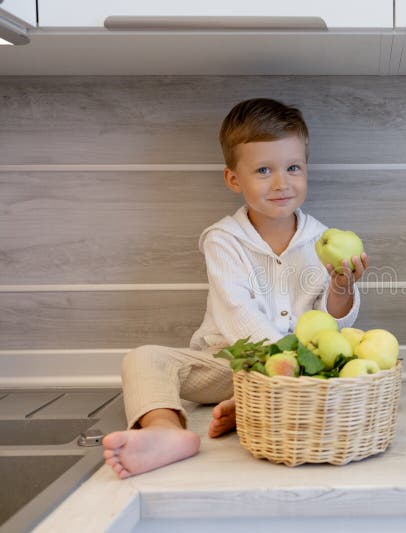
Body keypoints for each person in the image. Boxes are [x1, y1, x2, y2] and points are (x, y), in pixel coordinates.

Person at [102, 98, 368, 479]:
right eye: (263, 170)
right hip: (229, 363)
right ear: (233, 179)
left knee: (347, 355)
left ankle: (247, 406)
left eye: (293, 167)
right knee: (143, 358)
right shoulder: (223, 239)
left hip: (299, 374)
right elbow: (237, 313)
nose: (281, 183)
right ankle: (166, 430)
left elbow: (328, 327)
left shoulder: (322, 239)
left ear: (306, 169)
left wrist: (341, 288)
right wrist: (282, 366)